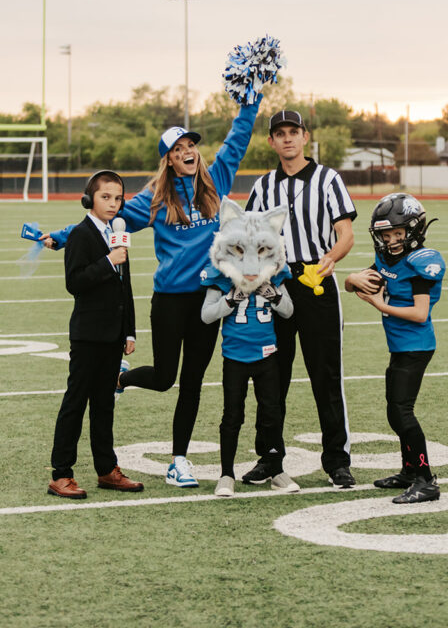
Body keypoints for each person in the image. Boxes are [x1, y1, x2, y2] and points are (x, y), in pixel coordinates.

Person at [45, 97, 261, 488]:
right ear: (169, 160)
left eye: (190, 146)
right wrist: (60, 238)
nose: (187, 152)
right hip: (170, 300)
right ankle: (122, 380)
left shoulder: (217, 180)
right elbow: (105, 218)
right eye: (178, 150)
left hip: (209, 299)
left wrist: (250, 102)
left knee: (193, 382)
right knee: (164, 377)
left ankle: (179, 461)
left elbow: (237, 140)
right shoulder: (156, 198)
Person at [244, 109, 357, 488]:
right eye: (280, 133)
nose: (288, 138)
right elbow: (249, 235)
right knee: (271, 376)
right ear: (271, 141)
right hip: (275, 285)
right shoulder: (263, 186)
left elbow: (346, 234)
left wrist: (329, 260)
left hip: (316, 283)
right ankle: (269, 456)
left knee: (326, 374)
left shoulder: (328, 179)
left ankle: (337, 461)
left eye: (294, 131)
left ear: (305, 137)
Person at [48, 170, 143, 499]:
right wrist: (107, 261)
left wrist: (129, 331)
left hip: (113, 335)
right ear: (90, 199)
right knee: (75, 403)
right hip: (88, 335)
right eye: (106, 197)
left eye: (118, 198)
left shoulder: (119, 234)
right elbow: (74, 282)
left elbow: (124, 286)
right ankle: (61, 473)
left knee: (105, 405)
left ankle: (107, 469)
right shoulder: (80, 234)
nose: (113, 203)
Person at [345, 192, 445, 504]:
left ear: (413, 230)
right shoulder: (388, 260)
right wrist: (351, 278)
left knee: (402, 412)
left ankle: (426, 479)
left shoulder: (420, 263)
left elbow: (420, 313)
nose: (391, 241)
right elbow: (353, 284)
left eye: (398, 234)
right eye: (386, 235)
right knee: (395, 409)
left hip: (416, 346)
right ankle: (409, 470)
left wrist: (379, 304)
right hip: (400, 346)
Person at [200, 197, 298, 497]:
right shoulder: (222, 276)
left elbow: (288, 311)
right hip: (235, 356)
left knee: (272, 413)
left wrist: (273, 295)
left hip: (267, 354)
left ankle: (276, 470)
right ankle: (226, 474)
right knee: (232, 416)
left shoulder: (275, 274)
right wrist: (230, 300)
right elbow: (206, 315)